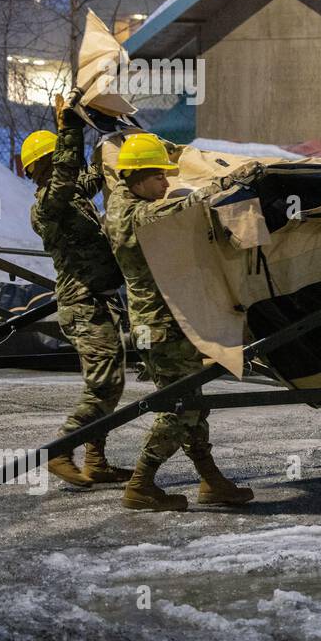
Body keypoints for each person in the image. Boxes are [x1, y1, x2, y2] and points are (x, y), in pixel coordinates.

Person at [104, 132, 262, 510]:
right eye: (159, 176)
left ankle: (211, 481)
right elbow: (172, 212)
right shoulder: (129, 215)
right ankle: (141, 483)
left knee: (192, 405)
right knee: (179, 409)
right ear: (137, 177)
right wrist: (223, 185)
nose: (165, 182)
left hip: (165, 324)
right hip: (158, 328)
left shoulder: (125, 201)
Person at [21, 95, 133, 488]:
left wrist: (112, 137)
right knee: (104, 383)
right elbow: (70, 175)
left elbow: (91, 176)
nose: (63, 167)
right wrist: (70, 128)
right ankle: (59, 449)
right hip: (82, 304)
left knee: (109, 381)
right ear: (43, 168)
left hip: (99, 300)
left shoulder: (71, 197)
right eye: (56, 162)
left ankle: (96, 460)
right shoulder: (48, 206)